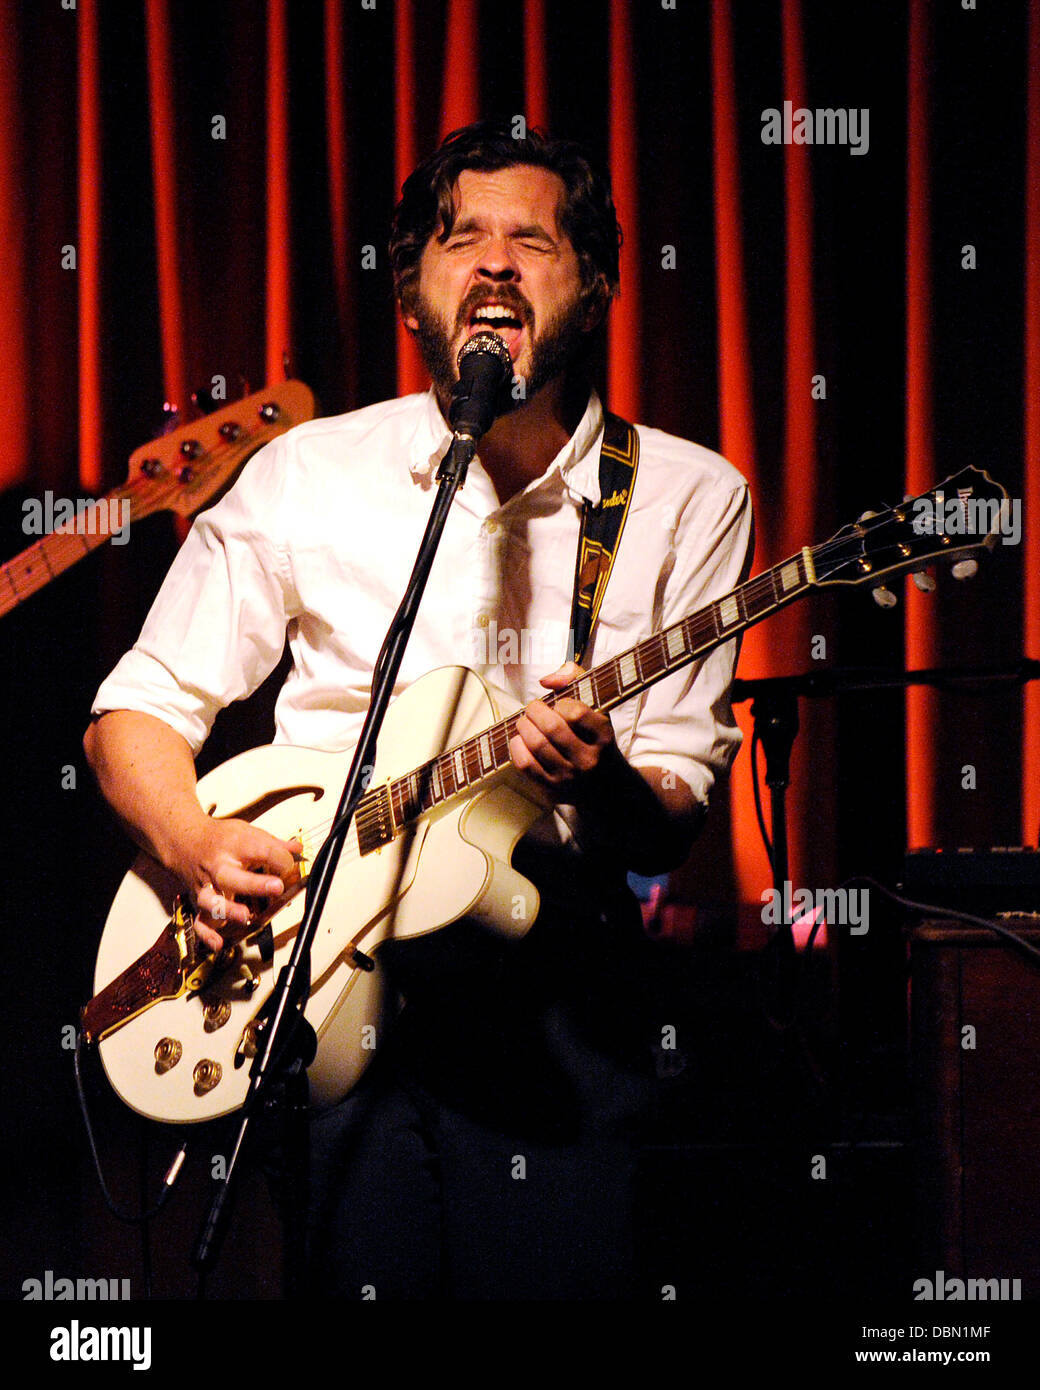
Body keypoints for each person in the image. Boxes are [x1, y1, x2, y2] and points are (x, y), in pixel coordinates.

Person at [84, 120, 753, 1299]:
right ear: (413, 293)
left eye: (532, 241)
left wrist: (593, 773)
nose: (494, 262)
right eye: (462, 239)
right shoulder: (309, 471)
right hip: (323, 988)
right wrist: (191, 845)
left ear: (590, 289)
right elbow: (133, 710)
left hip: (558, 1010)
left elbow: (666, 821)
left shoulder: (689, 496)